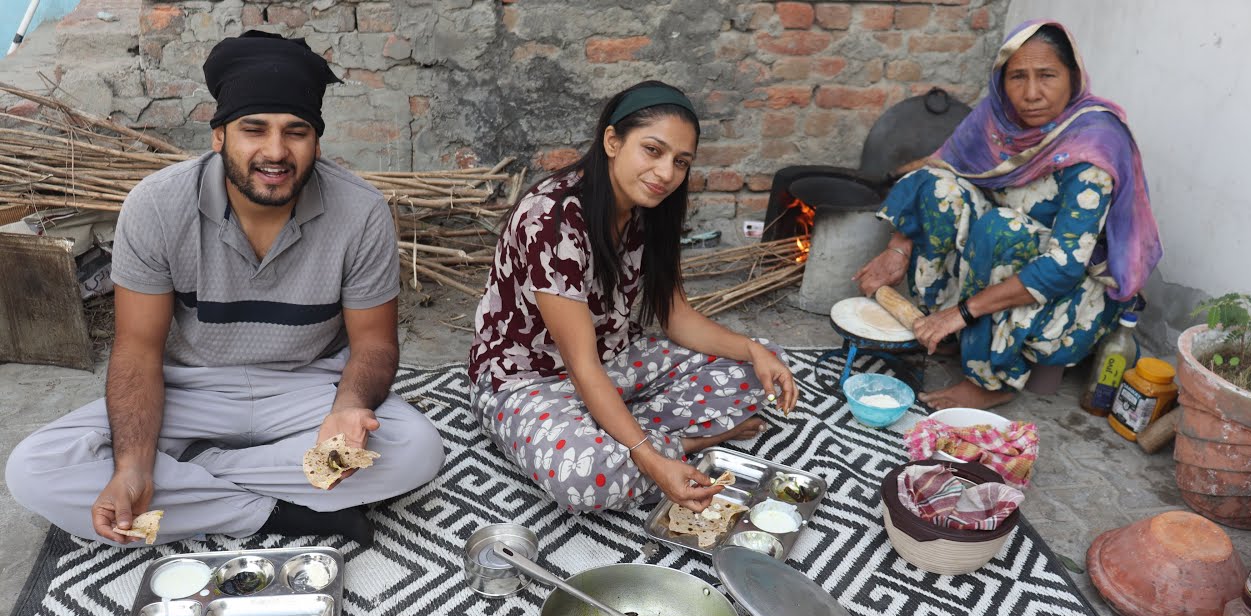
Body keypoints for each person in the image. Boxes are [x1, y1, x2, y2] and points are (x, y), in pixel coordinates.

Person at [4, 31, 443, 546]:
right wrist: (133, 465)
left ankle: (198, 474)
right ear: (219, 136)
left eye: (296, 132)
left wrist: (348, 409)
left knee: (416, 451)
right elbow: (137, 352)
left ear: (317, 142)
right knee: (34, 470)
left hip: (308, 391)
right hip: (192, 391)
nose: (275, 152)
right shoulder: (157, 206)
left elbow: (373, 345)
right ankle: (283, 513)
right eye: (254, 129)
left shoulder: (361, 211)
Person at [468, 81, 797, 513]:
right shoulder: (552, 219)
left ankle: (616, 435)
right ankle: (681, 444)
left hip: (613, 360)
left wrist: (753, 350)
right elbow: (580, 365)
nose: (666, 173)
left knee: (763, 367)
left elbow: (676, 316)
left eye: (680, 162)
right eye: (652, 150)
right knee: (583, 476)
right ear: (612, 141)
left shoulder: (650, 210)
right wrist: (652, 460)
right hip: (527, 381)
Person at [854, 20, 1161, 410]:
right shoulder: (997, 120)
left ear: (1073, 76)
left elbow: (1065, 266)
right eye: (1018, 77)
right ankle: (945, 334)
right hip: (997, 258)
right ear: (1002, 81)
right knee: (936, 187)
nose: (1031, 93)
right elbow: (940, 169)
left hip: (1065, 297)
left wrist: (963, 311)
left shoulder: (1092, 144)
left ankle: (991, 378)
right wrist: (897, 248)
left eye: (1047, 75)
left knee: (1000, 229)